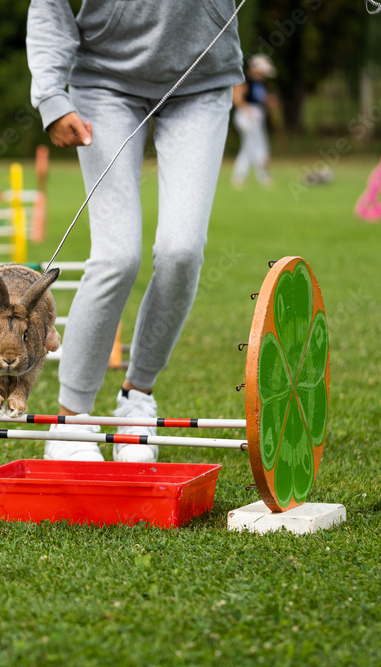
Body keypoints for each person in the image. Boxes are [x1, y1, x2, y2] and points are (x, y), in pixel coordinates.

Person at [27, 1, 243, 463]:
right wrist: (50, 94)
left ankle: (136, 398)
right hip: (104, 82)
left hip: (202, 81)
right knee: (117, 256)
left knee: (181, 249)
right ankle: (71, 422)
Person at [230, 54, 276, 189]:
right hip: (247, 116)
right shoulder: (246, 80)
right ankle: (261, 177)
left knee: (251, 146)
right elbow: (236, 96)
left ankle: (242, 177)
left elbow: (259, 98)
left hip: (256, 115)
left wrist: (269, 100)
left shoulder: (260, 82)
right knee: (256, 146)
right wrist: (246, 109)